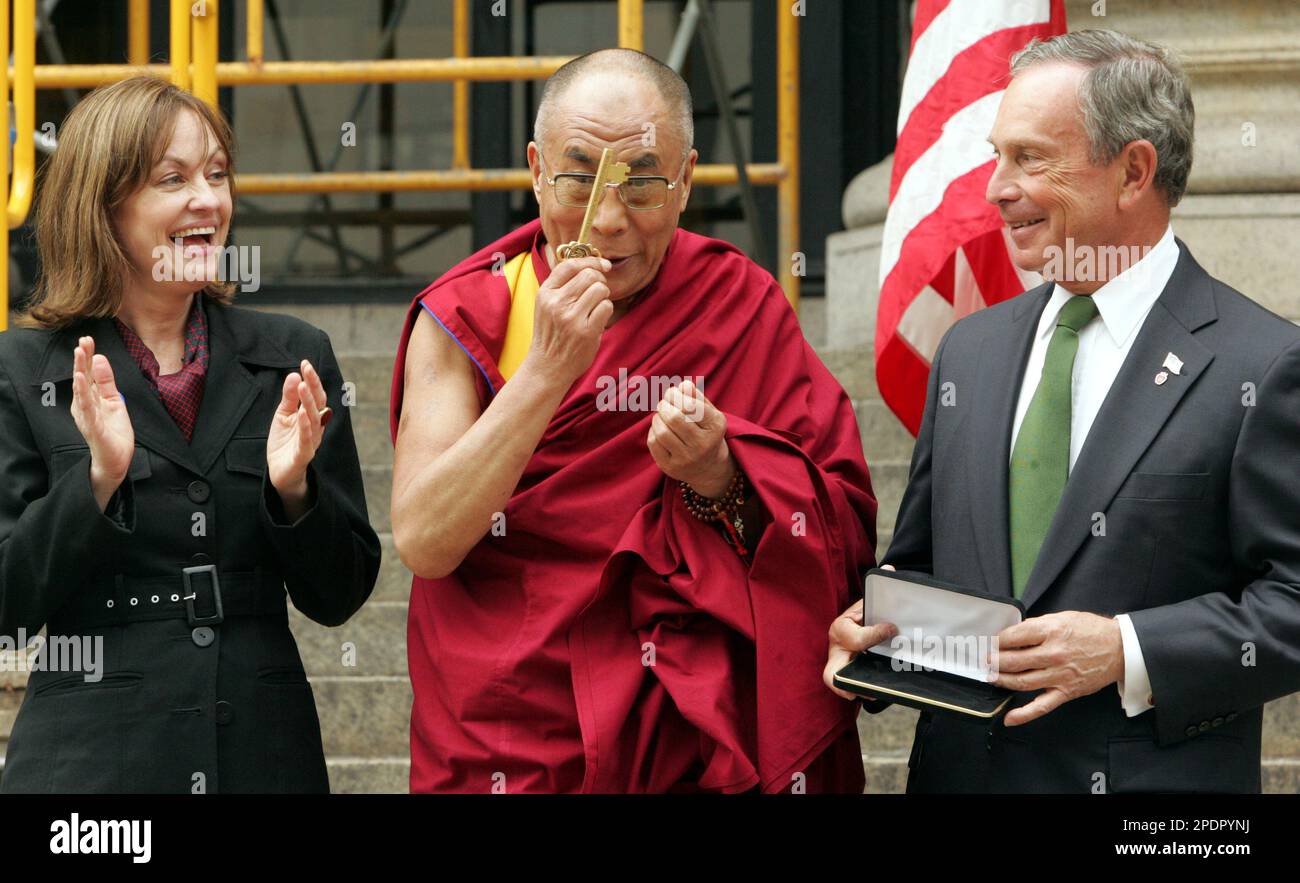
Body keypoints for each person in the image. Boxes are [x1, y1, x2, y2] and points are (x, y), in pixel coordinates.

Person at [826, 29, 1300, 793]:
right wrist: (880, 635)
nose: (995, 188)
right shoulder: (970, 351)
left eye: (1030, 158)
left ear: (1133, 170)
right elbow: (924, 564)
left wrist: (1126, 648)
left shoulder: (1262, 364)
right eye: (997, 155)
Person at [390, 49, 877, 793]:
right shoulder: (472, 311)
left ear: (686, 180)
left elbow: (830, 533)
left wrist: (721, 475)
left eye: (643, 183)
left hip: (682, 737)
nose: (609, 221)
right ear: (535, 170)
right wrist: (549, 370)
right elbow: (425, 539)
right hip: (512, 729)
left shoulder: (737, 303)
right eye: (579, 179)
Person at [0, 76, 381, 793]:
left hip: (265, 755)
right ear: (103, 205)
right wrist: (97, 481)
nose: (207, 199)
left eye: (216, 173)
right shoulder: (22, 368)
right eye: (171, 180)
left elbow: (340, 594)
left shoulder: (292, 357)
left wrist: (294, 489)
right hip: (92, 767)